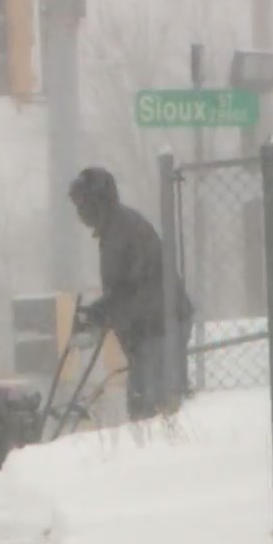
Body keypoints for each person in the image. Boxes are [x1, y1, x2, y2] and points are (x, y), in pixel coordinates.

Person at [68, 166, 194, 421]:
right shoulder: (116, 230)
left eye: (83, 204)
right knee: (143, 406)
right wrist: (97, 314)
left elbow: (136, 291)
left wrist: (99, 315)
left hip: (160, 327)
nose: (79, 213)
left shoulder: (124, 232)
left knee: (153, 410)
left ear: (98, 203)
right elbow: (124, 291)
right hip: (150, 328)